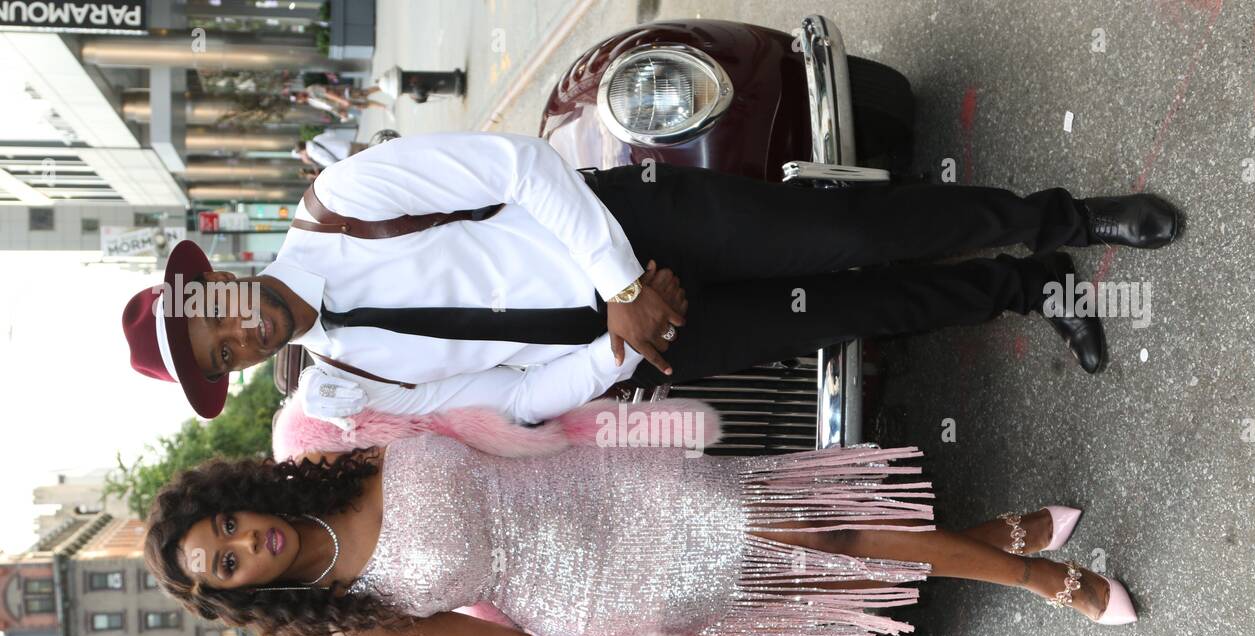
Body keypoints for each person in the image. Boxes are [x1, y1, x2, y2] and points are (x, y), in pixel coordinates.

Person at [143, 408, 1135, 636]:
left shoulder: (345, 450)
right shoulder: (358, 624)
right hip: (595, 584)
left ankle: (1003, 541)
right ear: (239, 593)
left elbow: (487, 410)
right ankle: (1040, 575)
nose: (247, 542)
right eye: (226, 563)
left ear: (237, 494)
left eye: (228, 522)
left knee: (825, 529)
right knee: (822, 554)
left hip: (611, 480)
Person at [120, 131, 1181, 424]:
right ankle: (1032, 285)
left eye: (216, 322)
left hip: (633, 227)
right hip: (636, 341)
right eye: (227, 359)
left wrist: (621, 280)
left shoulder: (343, 198)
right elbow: (507, 398)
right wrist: (613, 345)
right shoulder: (352, 378)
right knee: (860, 309)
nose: (244, 339)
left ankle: (1070, 217)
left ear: (211, 277)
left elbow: (518, 166)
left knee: (853, 226)